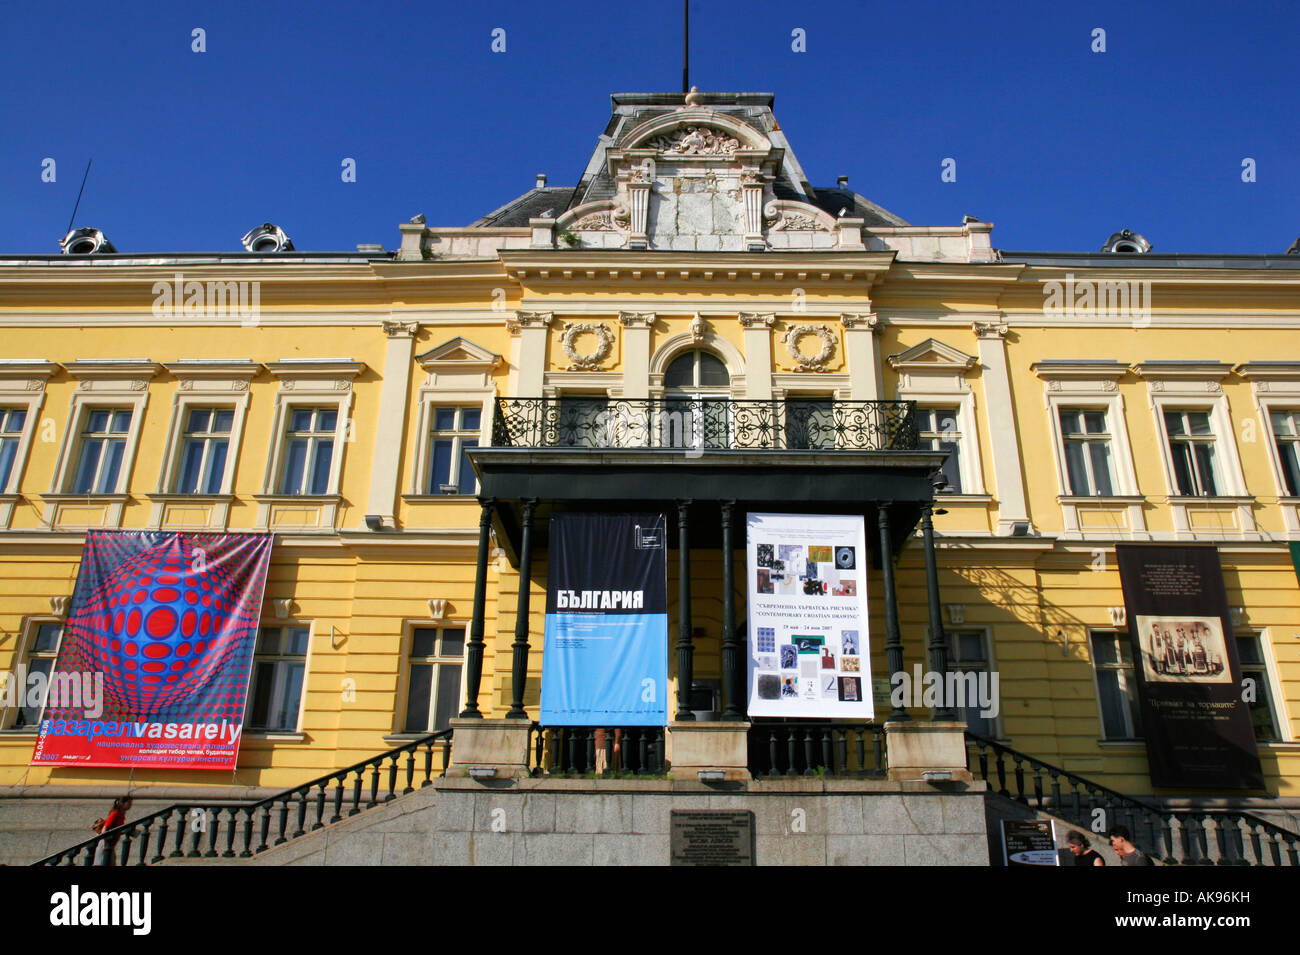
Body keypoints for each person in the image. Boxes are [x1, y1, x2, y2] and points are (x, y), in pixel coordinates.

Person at [93, 795, 133, 866]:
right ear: (122, 804)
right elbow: (105, 828)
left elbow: (115, 829)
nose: (130, 805)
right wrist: (105, 844)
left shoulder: (121, 815)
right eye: (129, 803)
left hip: (111, 844)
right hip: (106, 843)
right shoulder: (115, 814)